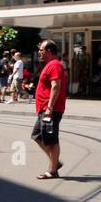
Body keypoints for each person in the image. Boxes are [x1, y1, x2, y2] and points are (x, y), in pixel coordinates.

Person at [32, 40, 66, 179]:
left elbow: (56, 86)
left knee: (51, 139)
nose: (40, 52)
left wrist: (49, 108)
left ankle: (52, 170)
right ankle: (55, 163)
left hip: (50, 110)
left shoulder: (55, 65)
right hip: (44, 109)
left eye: (41, 50)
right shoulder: (50, 65)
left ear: (49, 51)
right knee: (37, 135)